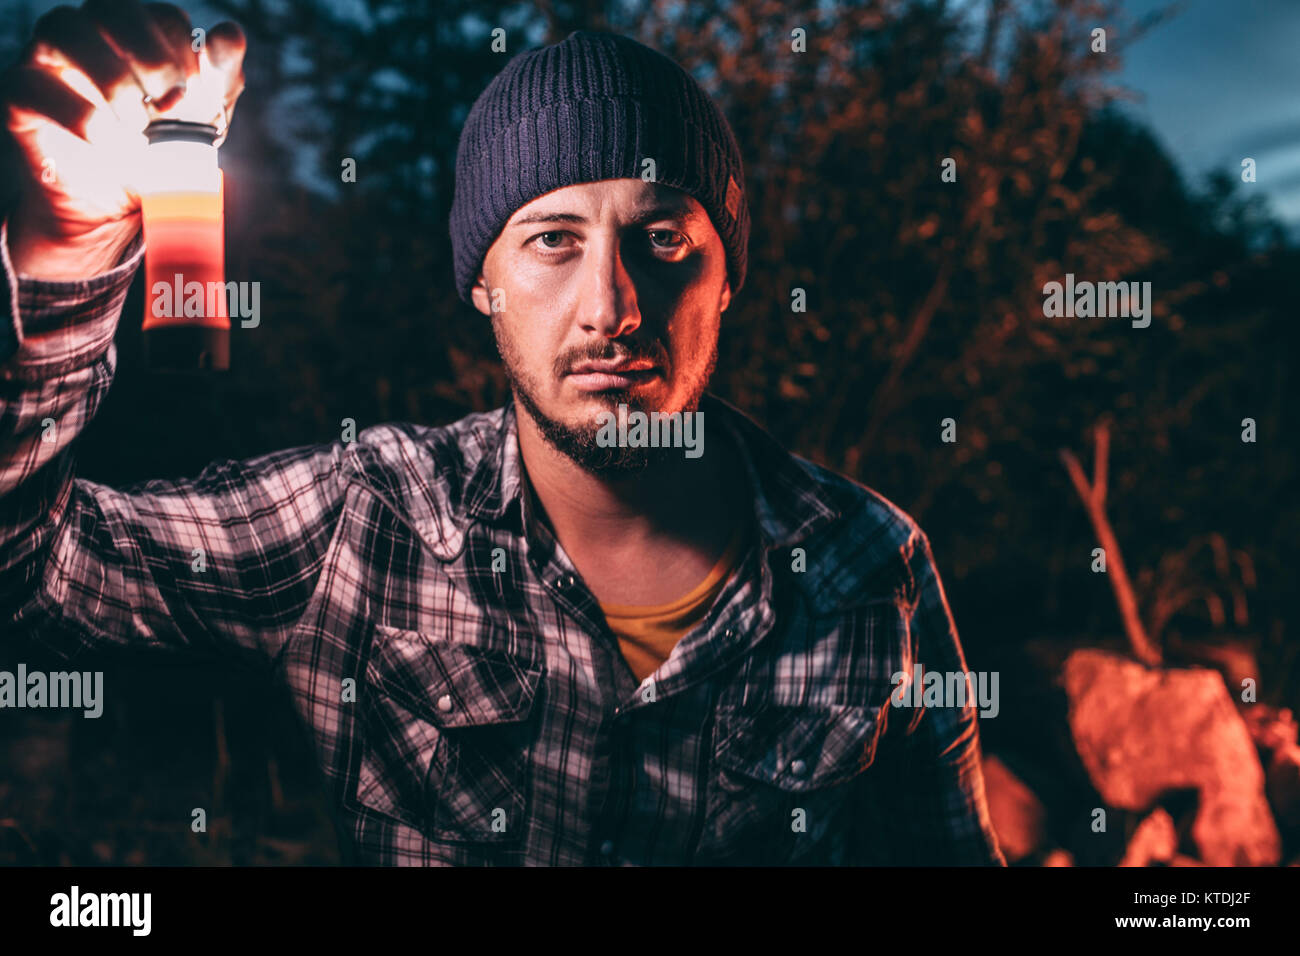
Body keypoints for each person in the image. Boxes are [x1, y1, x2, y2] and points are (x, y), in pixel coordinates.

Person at [1, 3, 1006, 866]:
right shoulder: (363, 519)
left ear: (728, 276)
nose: (610, 304)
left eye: (661, 238)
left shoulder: (871, 565)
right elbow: (31, 571)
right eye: (552, 240)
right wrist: (62, 264)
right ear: (483, 283)